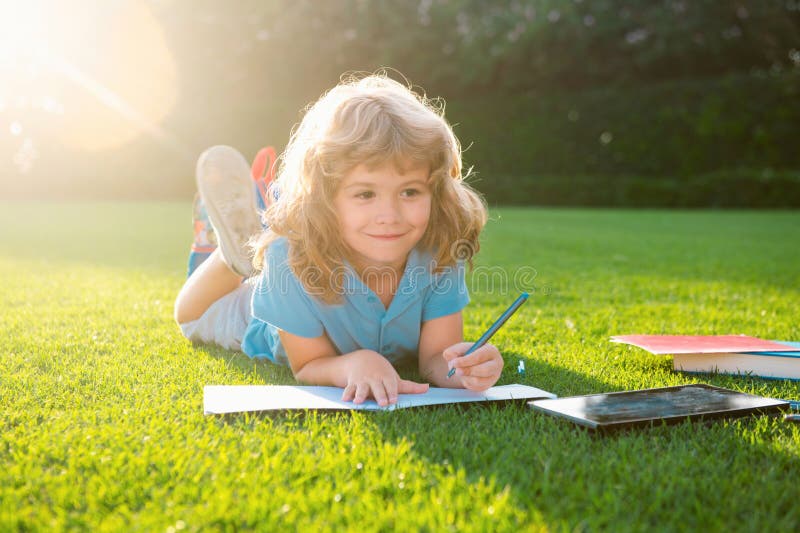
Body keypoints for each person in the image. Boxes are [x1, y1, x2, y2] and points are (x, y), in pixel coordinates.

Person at [174, 73, 504, 406]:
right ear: (324, 198)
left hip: (282, 274)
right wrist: (353, 364)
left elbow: (435, 357)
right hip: (259, 318)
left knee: (266, 253)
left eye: (410, 192)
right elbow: (308, 364)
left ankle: (254, 238)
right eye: (365, 194)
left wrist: (464, 369)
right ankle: (235, 255)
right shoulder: (289, 259)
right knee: (191, 317)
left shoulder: (439, 250)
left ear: (436, 192)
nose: (389, 215)